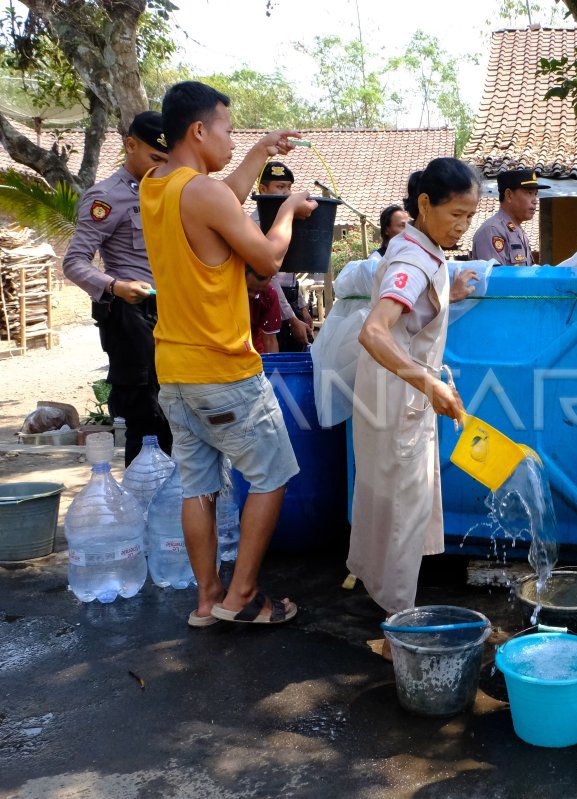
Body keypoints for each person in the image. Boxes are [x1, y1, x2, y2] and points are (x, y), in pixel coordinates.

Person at [139, 80, 317, 626]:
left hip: (175, 371)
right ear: (199, 131)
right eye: (228, 132)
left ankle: (205, 599)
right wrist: (286, 210)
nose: (232, 143)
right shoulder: (204, 193)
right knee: (271, 476)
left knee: (199, 488)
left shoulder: (158, 184)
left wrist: (262, 149)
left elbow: (221, 199)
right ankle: (240, 600)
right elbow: (265, 260)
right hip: (224, 370)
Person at [349, 158, 480, 657]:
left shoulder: (419, 248)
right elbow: (374, 331)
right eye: (456, 214)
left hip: (392, 394)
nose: (463, 225)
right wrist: (427, 384)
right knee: (403, 509)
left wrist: (455, 290)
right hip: (400, 396)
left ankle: (382, 597)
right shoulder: (411, 259)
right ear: (424, 204)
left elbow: (414, 311)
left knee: (391, 500)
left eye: (470, 216)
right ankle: (395, 630)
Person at [63, 111, 172, 465]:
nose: (160, 167)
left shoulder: (172, 191)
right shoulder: (107, 197)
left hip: (172, 314)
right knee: (146, 418)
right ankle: (143, 505)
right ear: (130, 144)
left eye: (166, 161)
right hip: (132, 317)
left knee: (175, 413)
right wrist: (115, 286)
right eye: (155, 158)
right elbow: (74, 262)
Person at [255, 161, 314, 351]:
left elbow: (290, 272)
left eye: (289, 187)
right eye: (280, 187)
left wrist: (302, 308)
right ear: (263, 189)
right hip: (268, 306)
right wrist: (291, 318)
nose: (287, 193)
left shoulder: (289, 221)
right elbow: (268, 277)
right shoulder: (255, 225)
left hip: (290, 302)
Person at [469, 168, 547, 265]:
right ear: (509, 195)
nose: (535, 201)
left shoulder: (518, 231)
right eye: (529, 193)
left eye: (535, 194)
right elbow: (496, 278)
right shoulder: (492, 230)